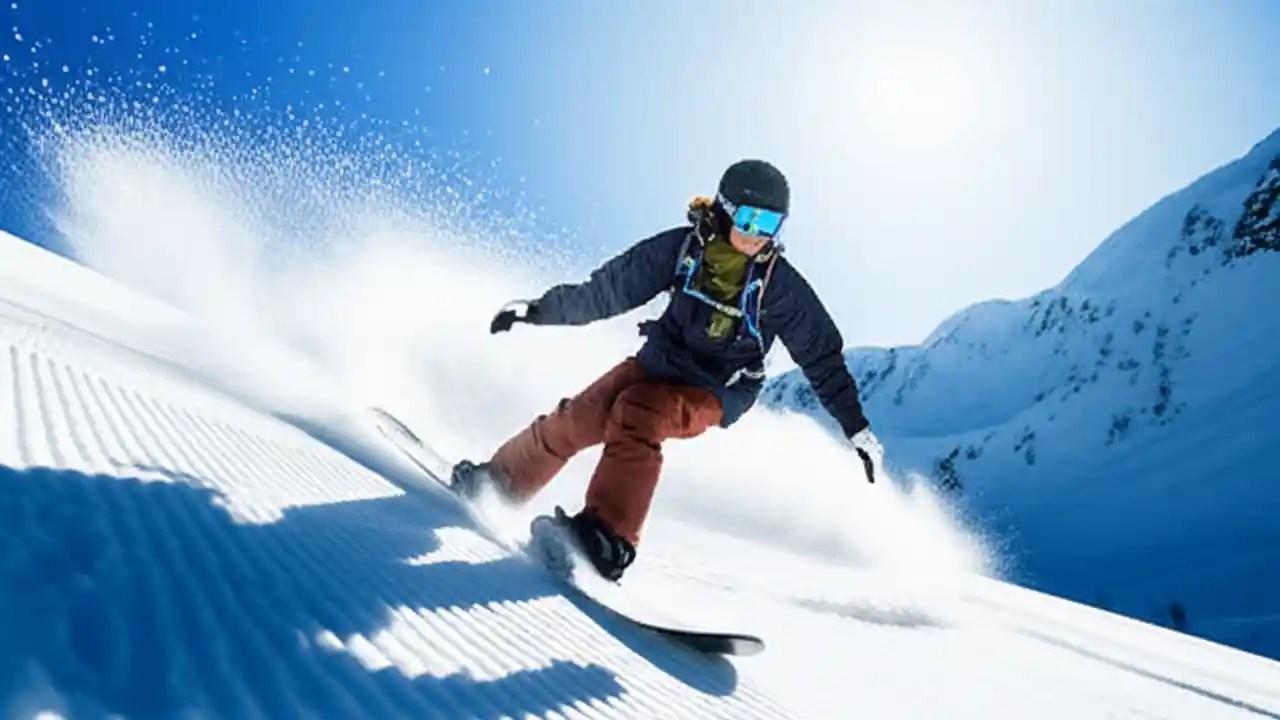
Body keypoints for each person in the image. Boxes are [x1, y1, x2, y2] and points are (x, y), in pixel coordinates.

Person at [451, 159, 884, 581]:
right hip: (658, 361)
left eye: (771, 225)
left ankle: (607, 540)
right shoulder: (681, 249)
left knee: (639, 412)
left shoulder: (780, 287)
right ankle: (498, 483)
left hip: (717, 387)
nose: (758, 235)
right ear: (725, 208)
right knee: (578, 417)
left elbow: (822, 358)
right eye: (750, 219)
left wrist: (857, 429)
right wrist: (538, 311)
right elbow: (608, 291)